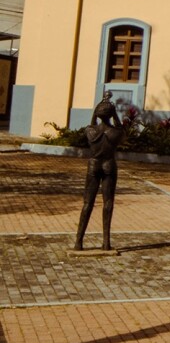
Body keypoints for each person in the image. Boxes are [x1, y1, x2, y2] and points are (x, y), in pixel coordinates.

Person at [74, 93, 124, 251]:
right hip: (109, 165)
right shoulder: (115, 132)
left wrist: (95, 113)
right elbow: (120, 127)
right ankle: (106, 242)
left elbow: (91, 124)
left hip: (93, 165)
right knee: (108, 203)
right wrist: (114, 113)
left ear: (97, 114)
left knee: (87, 203)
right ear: (111, 114)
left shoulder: (90, 131)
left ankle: (78, 242)